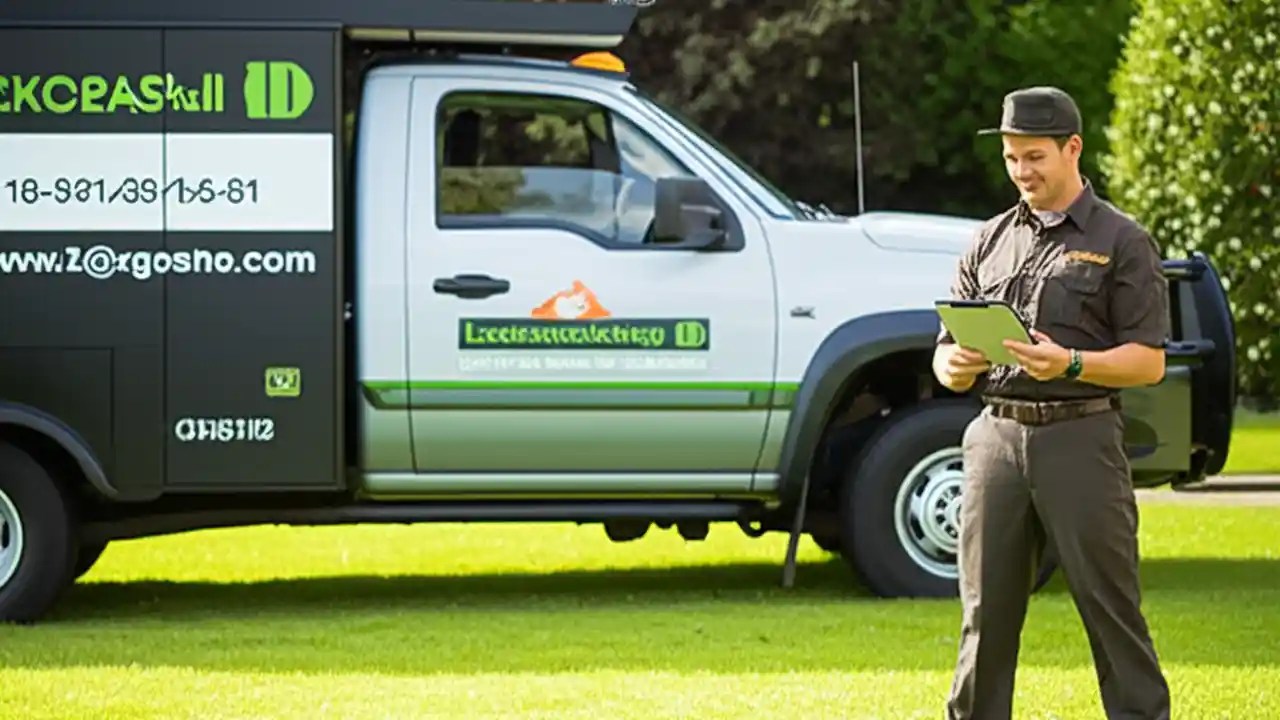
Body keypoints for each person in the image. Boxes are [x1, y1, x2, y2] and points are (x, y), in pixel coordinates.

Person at [933, 86, 1172, 720]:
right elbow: (944, 351)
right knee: (985, 616)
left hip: (1081, 438)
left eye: (1034, 157)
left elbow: (1149, 362)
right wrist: (953, 363)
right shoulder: (987, 240)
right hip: (994, 441)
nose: (1021, 172)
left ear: (1073, 148)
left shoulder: (1123, 241)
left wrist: (1069, 362)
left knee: (1111, 611)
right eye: (1011, 158)